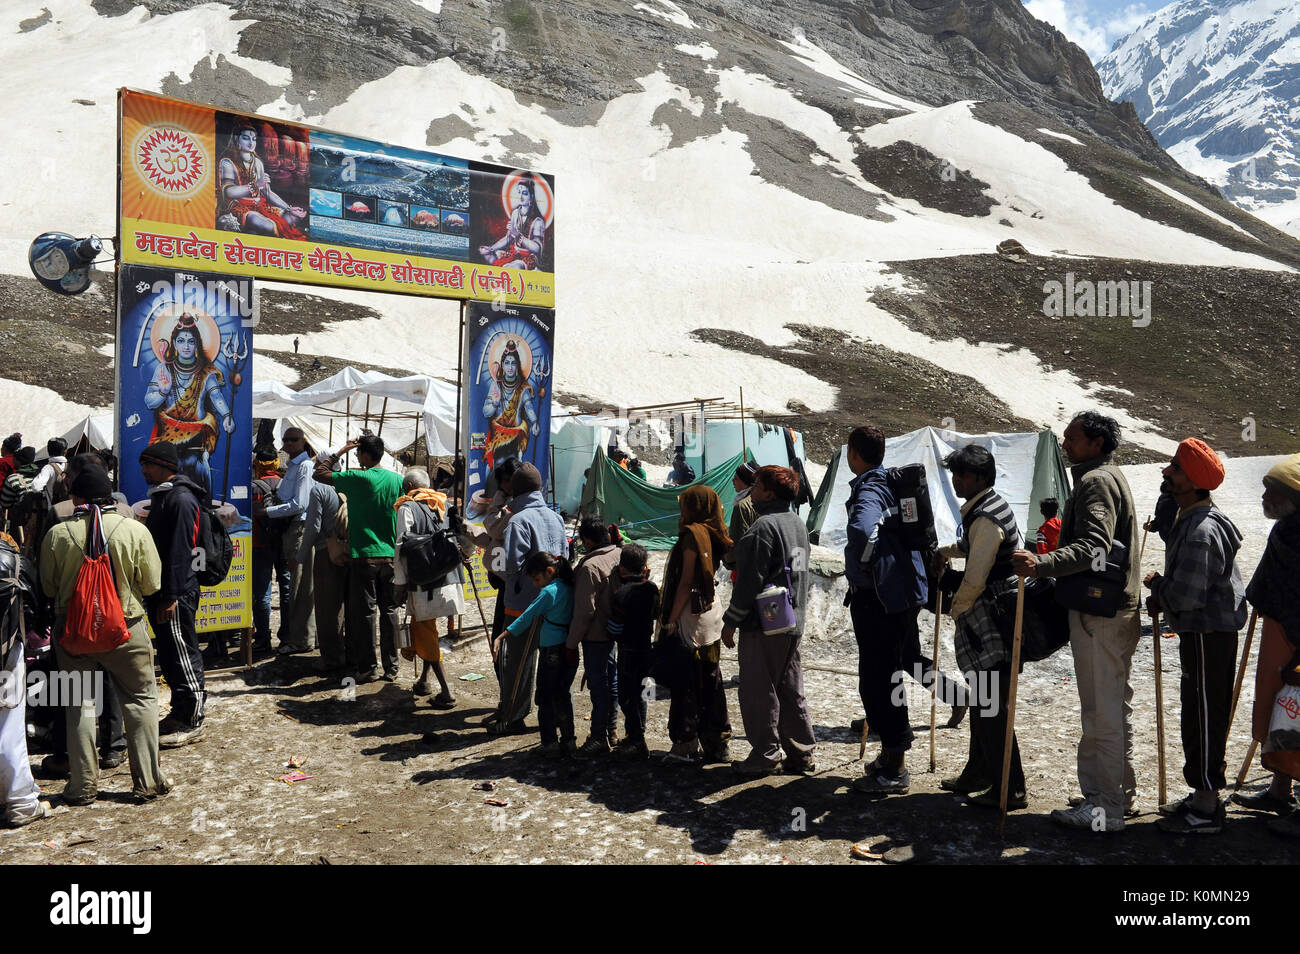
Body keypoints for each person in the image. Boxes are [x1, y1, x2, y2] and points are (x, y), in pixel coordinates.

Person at [1013, 411, 1142, 832]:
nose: (1066, 444)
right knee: (1113, 706)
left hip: (1098, 614)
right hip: (1116, 610)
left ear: (1097, 443)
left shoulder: (1095, 482)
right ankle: (1118, 793)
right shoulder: (1109, 476)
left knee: (1100, 711)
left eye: (1073, 437)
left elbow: (1094, 546)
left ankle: (1104, 808)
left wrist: (1042, 562)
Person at [39, 466, 171, 806]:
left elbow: (49, 587)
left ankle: (82, 786)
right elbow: (152, 584)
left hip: (73, 633)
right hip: (126, 629)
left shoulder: (57, 534)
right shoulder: (133, 530)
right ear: (111, 497)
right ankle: (148, 781)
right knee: (140, 698)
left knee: (77, 704)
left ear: (76, 498)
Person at [1142, 439, 1247, 835]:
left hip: (1207, 634)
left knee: (1203, 714)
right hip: (1204, 634)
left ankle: (1206, 806)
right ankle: (1202, 792)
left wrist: (1160, 587)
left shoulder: (1201, 530)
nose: (1167, 473)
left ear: (1195, 482)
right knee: (1199, 710)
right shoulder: (1192, 518)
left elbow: (1188, 595)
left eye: (1176, 469)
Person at [934, 444, 1027, 809]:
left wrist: (956, 609)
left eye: (963, 475)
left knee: (992, 705)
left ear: (981, 478)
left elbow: (975, 577)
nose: (957, 481)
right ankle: (979, 772)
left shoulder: (986, 516)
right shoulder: (986, 507)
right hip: (988, 616)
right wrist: (946, 551)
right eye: (955, 474)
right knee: (983, 701)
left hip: (989, 619)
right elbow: (969, 546)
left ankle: (1010, 788)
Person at [844, 425, 929, 795]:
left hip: (878, 599)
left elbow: (863, 531)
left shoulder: (870, 487)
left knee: (879, 678)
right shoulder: (893, 482)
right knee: (897, 668)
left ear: (854, 453)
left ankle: (895, 765)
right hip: (903, 594)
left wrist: (866, 564)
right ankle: (892, 756)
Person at [722, 465, 817, 777]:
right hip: (793, 619)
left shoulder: (764, 528)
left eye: (758, 486)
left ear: (769, 493)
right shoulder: (797, 524)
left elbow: (750, 580)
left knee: (758, 688)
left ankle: (765, 753)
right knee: (789, 686)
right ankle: (801, 751)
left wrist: (732, 620)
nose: (752, 490)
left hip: (766, 622)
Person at [1236, 452, 1300, 836]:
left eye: (1273, 492)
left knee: (1297, 710)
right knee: (1280, 705)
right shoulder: (1287, 529)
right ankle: (1279, 789)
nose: (1265, 498)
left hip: (1291, 634)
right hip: (1281, 630)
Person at [314, 435, 404, 684]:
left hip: (364, 557)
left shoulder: (358, 478)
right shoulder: (397, 480)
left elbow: (319, 473)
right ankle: (391, 667)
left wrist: (341, 450)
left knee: (365, 614)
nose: (355, 457)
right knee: (389, 612)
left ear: (365, 454)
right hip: (390, 556)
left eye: (357, 453)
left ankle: (367, 667)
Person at [488, 462, 567, 735]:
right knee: (550, 662)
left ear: (516, 491)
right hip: (555, 603)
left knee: (517, 663)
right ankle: (556, 716)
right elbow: (566, 558)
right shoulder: (555, 518)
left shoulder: (519, 520)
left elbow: (512, 564)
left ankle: (513, 716)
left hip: (522, 604)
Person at [140, 441, 208, 748]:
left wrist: (171, 596)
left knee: (182, 652)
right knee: (169, 654)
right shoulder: (165, 497)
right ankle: (179, 711)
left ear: (164, 466)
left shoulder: (180, 499)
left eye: (148, 464)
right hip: (165, 591)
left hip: (176, 593)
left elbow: (182, 550)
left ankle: (193, 718)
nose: (143, 470)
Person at [660, 484, 732, 763]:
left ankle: (685, 742)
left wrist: (670, 618)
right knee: (711, 680)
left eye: (685, 504)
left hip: (692, 617)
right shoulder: (715, 531)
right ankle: (717, 743)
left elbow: (687, 582)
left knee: (687, 682)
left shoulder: (693, 535)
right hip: (710, 614)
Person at [391, 467, 465, 706]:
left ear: (410, 488)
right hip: (450, 579)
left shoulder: (407, 507)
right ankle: (424, 681)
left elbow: (401, 548)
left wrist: (399, 584)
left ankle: (446, 692)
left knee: (426, 634)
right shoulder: (442, 504)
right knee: (427, 630)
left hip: (424, 585)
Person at [144, 313, 234, 499]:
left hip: (196, 437)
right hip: (169, 436)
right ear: (174, 343)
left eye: (191, 341)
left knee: (201, 478)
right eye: (182, 340)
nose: (186, 346)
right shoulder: (164, 369)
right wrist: (163, 391)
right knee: (166, 489)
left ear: (196, 345)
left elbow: (216, 396)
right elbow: (149, 402)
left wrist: (226, 415)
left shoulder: (205, 370)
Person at [495, 552, 576, 756]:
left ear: (549, 572)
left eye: (537, 579)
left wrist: (503, 634)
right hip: (568, 646)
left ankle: (549, 743)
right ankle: (569, 740)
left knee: (545, 696)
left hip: (551, 650)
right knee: (562, 695)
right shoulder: (569, 586)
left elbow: (528, 615)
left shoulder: (549, 592)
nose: (536, 584)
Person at [1, 530, 48, 827]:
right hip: (7, 651)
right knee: (8, 727)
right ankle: (20, 801)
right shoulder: (12, 557)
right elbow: (39, 608)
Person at [567, 515, 623, 758]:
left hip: (595, 636)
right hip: (614, 632)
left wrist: (571, 644)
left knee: (598, 687)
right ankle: (611, 730)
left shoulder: (590, 567)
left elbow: (584, 611)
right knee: (610, 682)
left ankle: (599, 736)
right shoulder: (619, 555)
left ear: (588, 541)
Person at [264, 428, 316, 655]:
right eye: (286, 440)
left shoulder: (305, 466)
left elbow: (299, 504)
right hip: (291, 528)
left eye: (294, 439)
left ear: (303, 442)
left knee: (299, 586)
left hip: (299, 527)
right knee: (295, 585)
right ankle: (300, 637)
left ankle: (301, 640)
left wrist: (267, 512)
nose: (289, 443)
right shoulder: (294, 466)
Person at [608, 543, 659, 761]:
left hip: (627, 651)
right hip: (646, 649)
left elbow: (615, 626)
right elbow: (657, 614)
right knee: (644, 694)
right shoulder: (652, 589)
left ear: (622, 569)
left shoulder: (621, 593)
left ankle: (636, 740)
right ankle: (639, 735)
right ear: (644, 567)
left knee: (626, 696)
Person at [217, 122, 307, 238]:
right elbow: (228, 191)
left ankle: (256, 232)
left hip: (260, 205)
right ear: (236, 139)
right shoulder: (228, 162)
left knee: (293, 217)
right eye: (246, 138)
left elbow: (267, 192)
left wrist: (289, 208)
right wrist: (255, 186)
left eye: (254, 139)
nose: (251, 143)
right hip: (238, 206)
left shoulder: (257, 162)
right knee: (262, 223)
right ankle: (258, 230)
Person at [298, 473, 348, 674]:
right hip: (350, 552)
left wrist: (300, 557)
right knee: (345, 604)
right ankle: (346, 651)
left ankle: (332, 658)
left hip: (325, 551)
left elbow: (313, 527)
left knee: (326, 608)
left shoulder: (319, 489)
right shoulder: (348, 489)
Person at [250, 445, 288, 655]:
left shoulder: (252, 487)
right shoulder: (286, 484)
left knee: (262, 593)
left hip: (259, 543)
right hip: (283, 543)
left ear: (257, 464)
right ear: (276, 463)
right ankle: (287, 637)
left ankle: (263, 638)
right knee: (286, 589)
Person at [482, 342, 538, 475]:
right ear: (502, 365)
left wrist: (535, 422)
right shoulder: (496, 385)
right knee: (493, 470)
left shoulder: (522, 387)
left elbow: (529, 407)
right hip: (499, 435)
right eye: (507, 363)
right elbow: (486, 412)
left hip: (515, 436)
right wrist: (495, 403)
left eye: (513, 363)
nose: (510, 367)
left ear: (518, 365)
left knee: (516, 471)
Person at [478, 173, 547, 269]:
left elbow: (537, 248)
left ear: (531, 196)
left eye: (525, 193)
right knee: (483, 251)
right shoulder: (515, 213)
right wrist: (491, 248)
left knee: (512, 267)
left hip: (528, 258)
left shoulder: (537, 221)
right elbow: (508, 238)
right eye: (519, 192)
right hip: (514, 253)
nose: (521, 197)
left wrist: (518, 235)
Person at [723, 460, 759, 574]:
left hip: (745, 569)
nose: (733, 481)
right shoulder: (761, 499)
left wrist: (727, 559)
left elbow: (739, 543)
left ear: (745, 481)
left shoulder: (742, 506)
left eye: (736, 478)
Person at [0, 446, 38, 535]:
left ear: (18, 461)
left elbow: (5, 503)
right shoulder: (39, 475)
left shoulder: (12, 479)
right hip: (36, 520)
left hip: (18, 524)